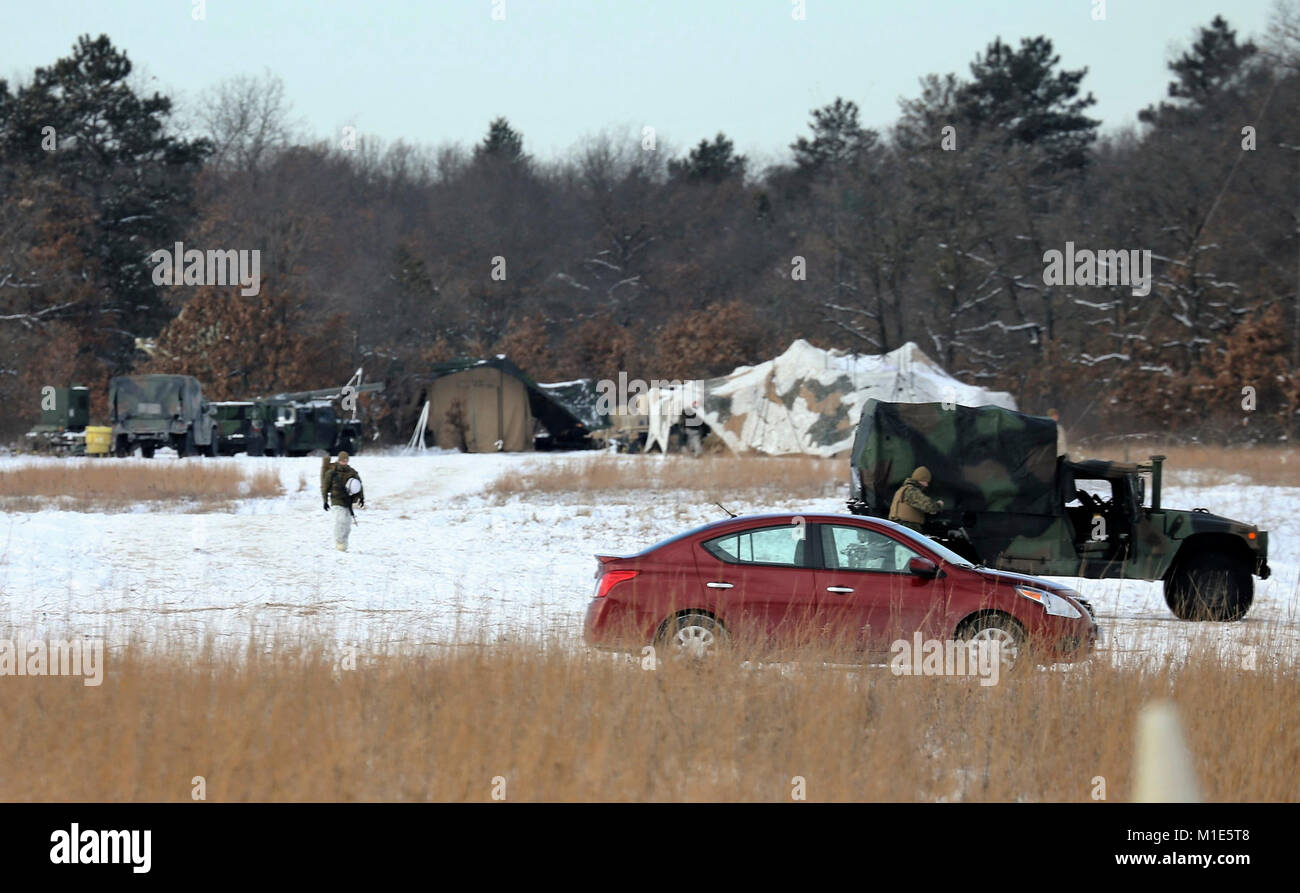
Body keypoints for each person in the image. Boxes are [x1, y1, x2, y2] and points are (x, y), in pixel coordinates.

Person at [321, 451, 364, 552]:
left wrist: (362, 498)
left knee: (347, 524)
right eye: (342, 460)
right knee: (340, 521)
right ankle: (339, 543)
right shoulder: (331, 472)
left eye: (345, 461)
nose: (344, 462)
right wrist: (325, 501)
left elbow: (359, 485)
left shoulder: (352, 472)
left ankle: (344, 544)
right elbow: (325, 487)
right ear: (339, 460)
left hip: (348, 501)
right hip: (336, 500)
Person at [888, 465, 945, 532]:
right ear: (920, 479)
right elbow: (928, 506)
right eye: (925, 481)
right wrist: (938, 505)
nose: (927, 485)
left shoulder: (904, 489)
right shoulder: (912, 491)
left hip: (901, 528)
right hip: (908, 528)